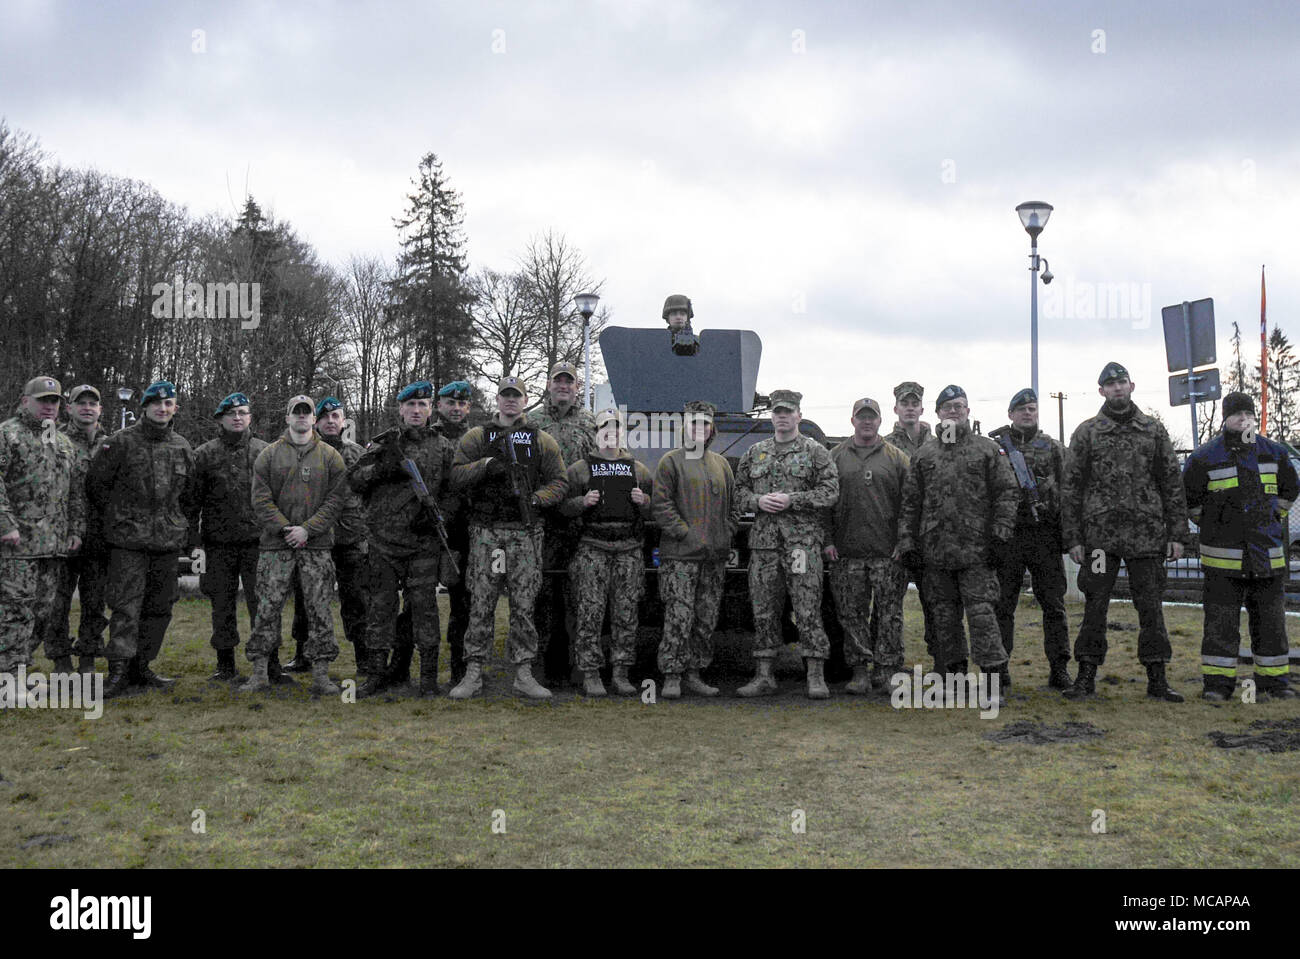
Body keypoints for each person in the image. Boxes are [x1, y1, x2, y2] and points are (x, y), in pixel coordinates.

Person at [1061, 362, 1189, 702]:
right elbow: (1071, 488)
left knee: (1150, 606)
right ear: (1101, 390)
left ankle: (1157, 678)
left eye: (1121, 383)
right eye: (1110, 384)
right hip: (1100, 541)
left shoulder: (1153, 430)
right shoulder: (1087, 433)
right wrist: (1073, 538)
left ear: (1132, 386)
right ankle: (1085, 675)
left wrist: (1177, 533)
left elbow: (1171, 484)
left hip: (1146, 539)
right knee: (1095, 605)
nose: (1117, 389)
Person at [448, 376, 567, 700]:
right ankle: (473, 672)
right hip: (486, 531)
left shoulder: (541, 440)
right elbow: (456, 476)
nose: (510, 401)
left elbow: (559, 482)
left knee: (524, 605)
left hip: (524, 533)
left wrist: (536, 499)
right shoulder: (478, 436)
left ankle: (523, 673)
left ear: (526, 400)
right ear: (497, 400)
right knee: (481, 604)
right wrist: (485, 466)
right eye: (505, 395)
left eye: (516, 396)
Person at [896, 385, 1017, 702]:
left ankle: (994, 680)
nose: (954, 411)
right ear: (938, 413)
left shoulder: (987, 450)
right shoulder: (924, 455)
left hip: (978, 552)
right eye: (947, 406)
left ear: (968, 411)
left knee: (982, 618)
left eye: (959, 406)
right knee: (945, 619)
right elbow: (911, 503)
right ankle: (953, 678)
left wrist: (1000, 536)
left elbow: (1007, 493)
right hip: (936, 553)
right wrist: (909, 543)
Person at [1182, 392, 1298, 701]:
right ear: (1225, 418)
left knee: (1271, 625)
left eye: (1249, 414)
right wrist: (1210, 524)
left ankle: (1275, 684)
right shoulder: (1204, 457)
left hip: (1267, 559)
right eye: (1238, 415)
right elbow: (1189, 499)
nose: (1244, 419)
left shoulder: (1274, 452)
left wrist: (1277, 514)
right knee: (1221, 626)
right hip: (1223, 562)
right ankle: (1217, 687)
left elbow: (1290, 488)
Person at [347, 382, 456, 698]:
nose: (417, 411)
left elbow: (454, 492)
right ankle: (376, 675)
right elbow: (353, 481)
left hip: (423, 543)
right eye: (411, 406)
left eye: (423, 406)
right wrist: (381, 469)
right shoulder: (382, 446)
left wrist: (439, 516)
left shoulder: (443, 446)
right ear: (400, 410)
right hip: (383, 543)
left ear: (430, 410)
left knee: (425, 609)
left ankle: (428, 679)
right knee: (380, 609)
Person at [87, 380, 195, 699]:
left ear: (175, 408)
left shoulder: (182, 447)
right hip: (128, 541)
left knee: (160, 607)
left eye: (169, 404)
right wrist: (119, 519)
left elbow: (188, 496)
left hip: (166, 541)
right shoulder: (119, 442)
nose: (163, 409)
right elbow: (97, 487)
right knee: (125, 607)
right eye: (156, 404)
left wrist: (180, 528)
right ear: (145, 407)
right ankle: (119, 671)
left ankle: (142, 666)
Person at [734, 389, 839, 699]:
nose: (782, 416)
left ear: (799, 416)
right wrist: (758, 500)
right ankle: (764, 674)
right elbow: (738, 494)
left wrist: (792, 500)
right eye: (778, 411)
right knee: (764, 610)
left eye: (788, 412)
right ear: (772, 416)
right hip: (765, 546)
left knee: (808, 608)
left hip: (800, 547)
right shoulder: (755, 453)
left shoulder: (816, 451)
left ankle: (815, 675)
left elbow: (830, 492)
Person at [241, 395, 347, 694]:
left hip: (316, 547)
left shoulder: (331, 457)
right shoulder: (269, 456)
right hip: (276, 547)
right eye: (295, 413)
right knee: (267, 609)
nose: (302, 417)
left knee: (320, 609)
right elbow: (260, 499)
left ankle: (321, 674)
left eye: (307, 413)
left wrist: (308, 530)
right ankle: (260, 672)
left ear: (314, 419)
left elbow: (335, 500)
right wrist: (286, 528)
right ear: (287, 418)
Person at [0, 376, 83, 704]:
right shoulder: (7, 435)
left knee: (43, 614)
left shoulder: (63, 443)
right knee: (13, 613)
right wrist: (4, 522)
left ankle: (20, 674)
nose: (49, 406)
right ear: (24, 402)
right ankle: (6, 682)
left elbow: (74, 491)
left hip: (53, 546)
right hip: (16, 547)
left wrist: (75, 529)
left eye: (55, 400)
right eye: (42, 400)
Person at [559, 408, 653, 696]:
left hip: (628, 549)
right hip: (593, 548)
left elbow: (656, 507)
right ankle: (590, 673)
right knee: (590, 612)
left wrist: (644, 500)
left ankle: (621, 673)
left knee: (626, 614)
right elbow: (561, 506)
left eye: (614, 428)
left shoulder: (637, 468)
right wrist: (581, 503)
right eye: (603, 428)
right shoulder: (580, 468)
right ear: (596, 433)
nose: (609, 433)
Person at [988, 388, 1073, 690]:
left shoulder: (1053, 448)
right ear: (1010, 414)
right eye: (1021, 409)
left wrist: (1069, 537)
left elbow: (1068, 491)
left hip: (1044, 536)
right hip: (1008, 536)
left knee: (1053, 605)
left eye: (1032, 409)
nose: (1027, 413)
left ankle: (1060, 667)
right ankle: (999, 668)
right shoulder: (997, 449)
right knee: (1002, 606)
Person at [824, 397, 910, 694]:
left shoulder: (897, 458)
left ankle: (886, 671)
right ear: (852, 421)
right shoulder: (835, 457)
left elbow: (909, 504)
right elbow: (825, 504)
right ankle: (860, 671)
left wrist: (904, 540)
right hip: (847, 554)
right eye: (861, 417)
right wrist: (827, 540)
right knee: (852, 615)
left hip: (887, 554)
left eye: (871, 417)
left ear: (880, 421)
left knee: (889, 616)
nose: (866, 421)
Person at [653, 401, 738, 699]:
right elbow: (661, 506)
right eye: (693, 424)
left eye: (704, 424)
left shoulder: (721, 464)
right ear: (684, 428)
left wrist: (725, 533)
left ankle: (694, 672)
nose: (699, 429)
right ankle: (672, 675)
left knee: (705, 618)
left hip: (713, 558)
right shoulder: (671, 461)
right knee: (678, 616)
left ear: (712, 429)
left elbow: (734, 507)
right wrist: (685, 534)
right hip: (680, 558)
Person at [289, 396, 370, 677]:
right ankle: (303, 654)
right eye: (325, 417)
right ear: (316, 421)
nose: (331, 421)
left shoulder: (358, 454)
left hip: (349, 540)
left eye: (336, 416)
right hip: (314, 539)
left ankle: (365, 658)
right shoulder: (303, 452)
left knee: (356, 600)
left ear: (344, 420)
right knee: (306, 599)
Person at [192, 392, 270, 682]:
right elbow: (192, 503)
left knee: (262, 605)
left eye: (243, 412)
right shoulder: (204, 454)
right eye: (231, 413)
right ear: (220, 419)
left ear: (250, 417)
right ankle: (225, 664)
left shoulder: (266, 452)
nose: (238, 417)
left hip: (258, 543)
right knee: (221, 605)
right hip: (218, 544)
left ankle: (267, 662)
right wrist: (195, 544)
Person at [883, 380, 954, 670]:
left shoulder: (940, 443)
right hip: (895, 537)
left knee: (937, 603)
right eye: (904, 403)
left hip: (932, 537)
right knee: (889, 605)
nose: (909, 408)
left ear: (923, 408)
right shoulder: (885, 444)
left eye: (914, 404)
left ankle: (941, 661)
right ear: (896, 408)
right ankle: (888, 663)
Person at [46, 383, 107, 676]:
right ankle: (60, 660)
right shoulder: (54, 441)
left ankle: (88, 658)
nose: (86, 408)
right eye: (79, 403)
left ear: (100, 409)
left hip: (100, 536)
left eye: (92, 403)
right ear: (68, 408)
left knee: (95, 602)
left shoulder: (112, 443)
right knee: (57, 603)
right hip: (62, 535)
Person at [432, 380, 473, 686]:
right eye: (450, 403)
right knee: (416, 600)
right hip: (423, 529)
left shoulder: (478, 439)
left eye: (461, 404)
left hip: (460, 531)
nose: (456, 408)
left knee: (462, 602)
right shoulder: (426, 435)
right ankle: (408, 666)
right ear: (439, 406)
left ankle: (459, 666)